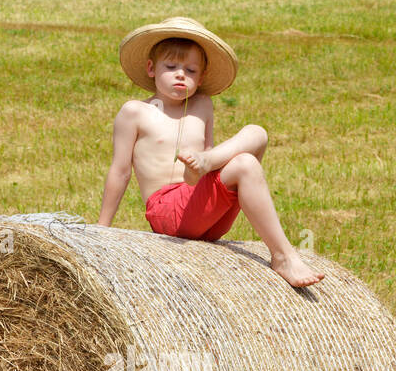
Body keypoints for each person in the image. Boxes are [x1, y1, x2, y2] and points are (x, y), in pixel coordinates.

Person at [98, 17, 323, 288]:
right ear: (151, 68)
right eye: (171, 67)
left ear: (201, 77)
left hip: (202, 208)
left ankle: (280, 252)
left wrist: (205, 162)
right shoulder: (135, 112)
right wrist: (101, 230)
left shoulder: (202, 105)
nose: (181, 74)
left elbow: (214, 169)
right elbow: (120, 171)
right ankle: (284, 256)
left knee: (255, 139)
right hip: (167, 212)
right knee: (245, 164)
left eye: (191, 70)